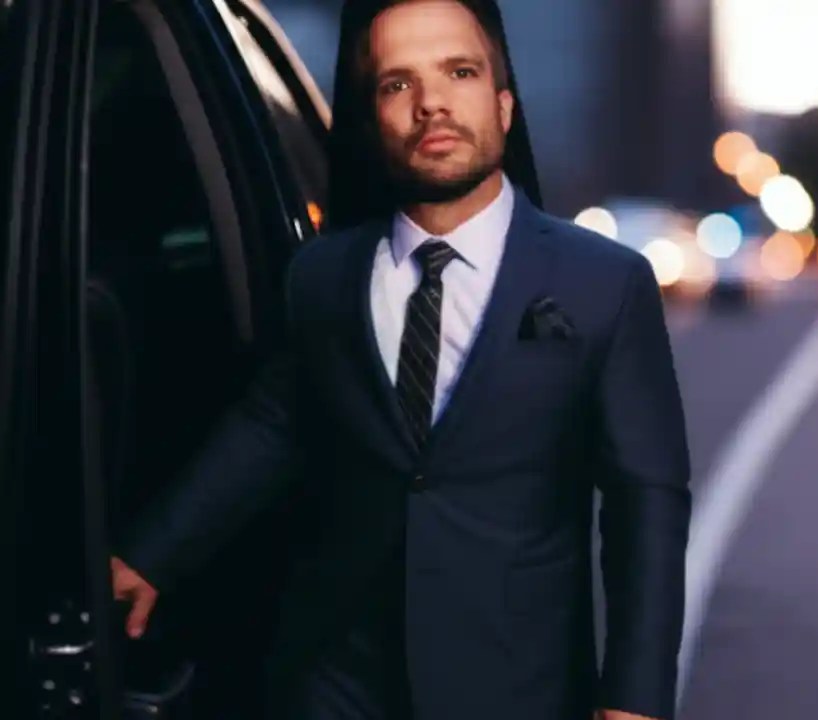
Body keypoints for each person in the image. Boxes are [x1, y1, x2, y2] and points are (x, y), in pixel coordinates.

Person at [110, 1, 691, 718]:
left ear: (504, 106)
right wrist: (153, 552)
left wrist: (634, 700)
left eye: (460, 71)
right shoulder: (322, 275)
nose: (432, 104)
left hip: (516, 686)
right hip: (331, 680)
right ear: (372, 121)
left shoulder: (605, 282)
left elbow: (646, 506)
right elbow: (274, 421)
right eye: (396, 84)